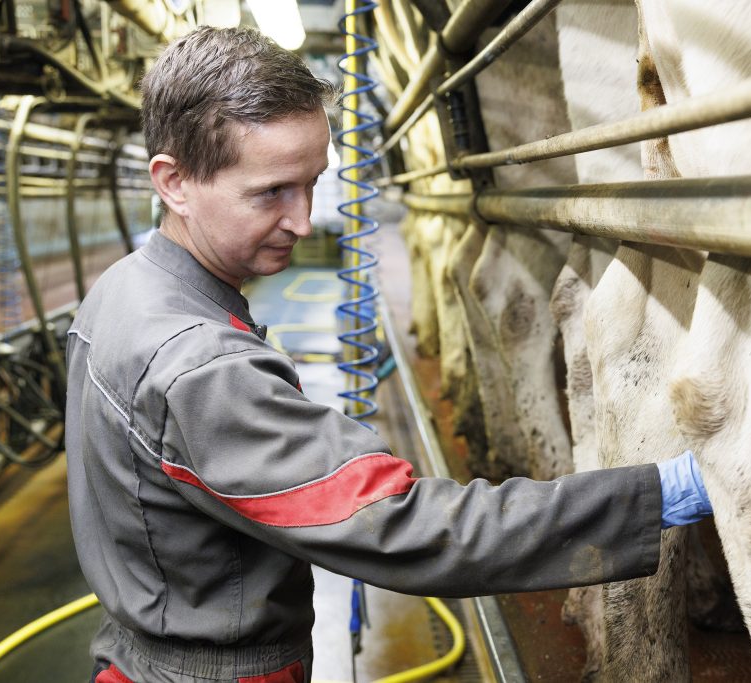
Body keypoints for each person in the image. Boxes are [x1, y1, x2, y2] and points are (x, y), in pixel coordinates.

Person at [65, 26, 713, 683]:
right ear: (173, 182)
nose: (303, 219)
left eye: (311, 183)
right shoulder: (201, 368)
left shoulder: (121, 292)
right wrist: (660, 492)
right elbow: (407, 527)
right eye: (271, 192)